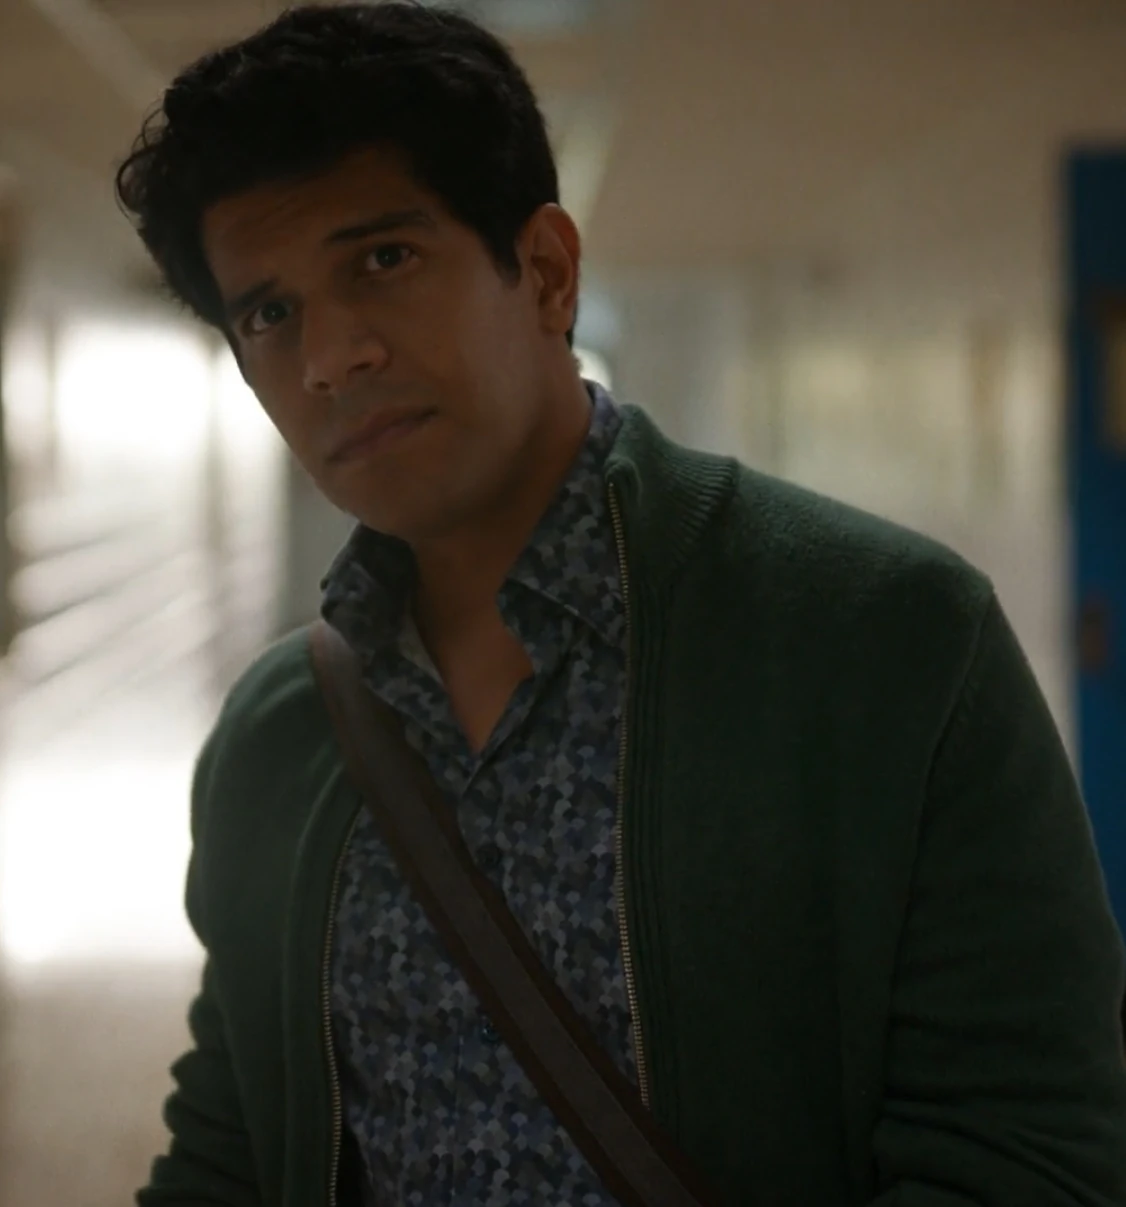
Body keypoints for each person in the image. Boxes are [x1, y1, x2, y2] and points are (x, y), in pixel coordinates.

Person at [115, 3, 1126, 1204]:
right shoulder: (276, 737)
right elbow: (231, 1146)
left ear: (546, 272)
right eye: (269, 313)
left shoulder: (886, 645)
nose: (331, 357)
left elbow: (1023, 1152)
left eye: (381, 260)